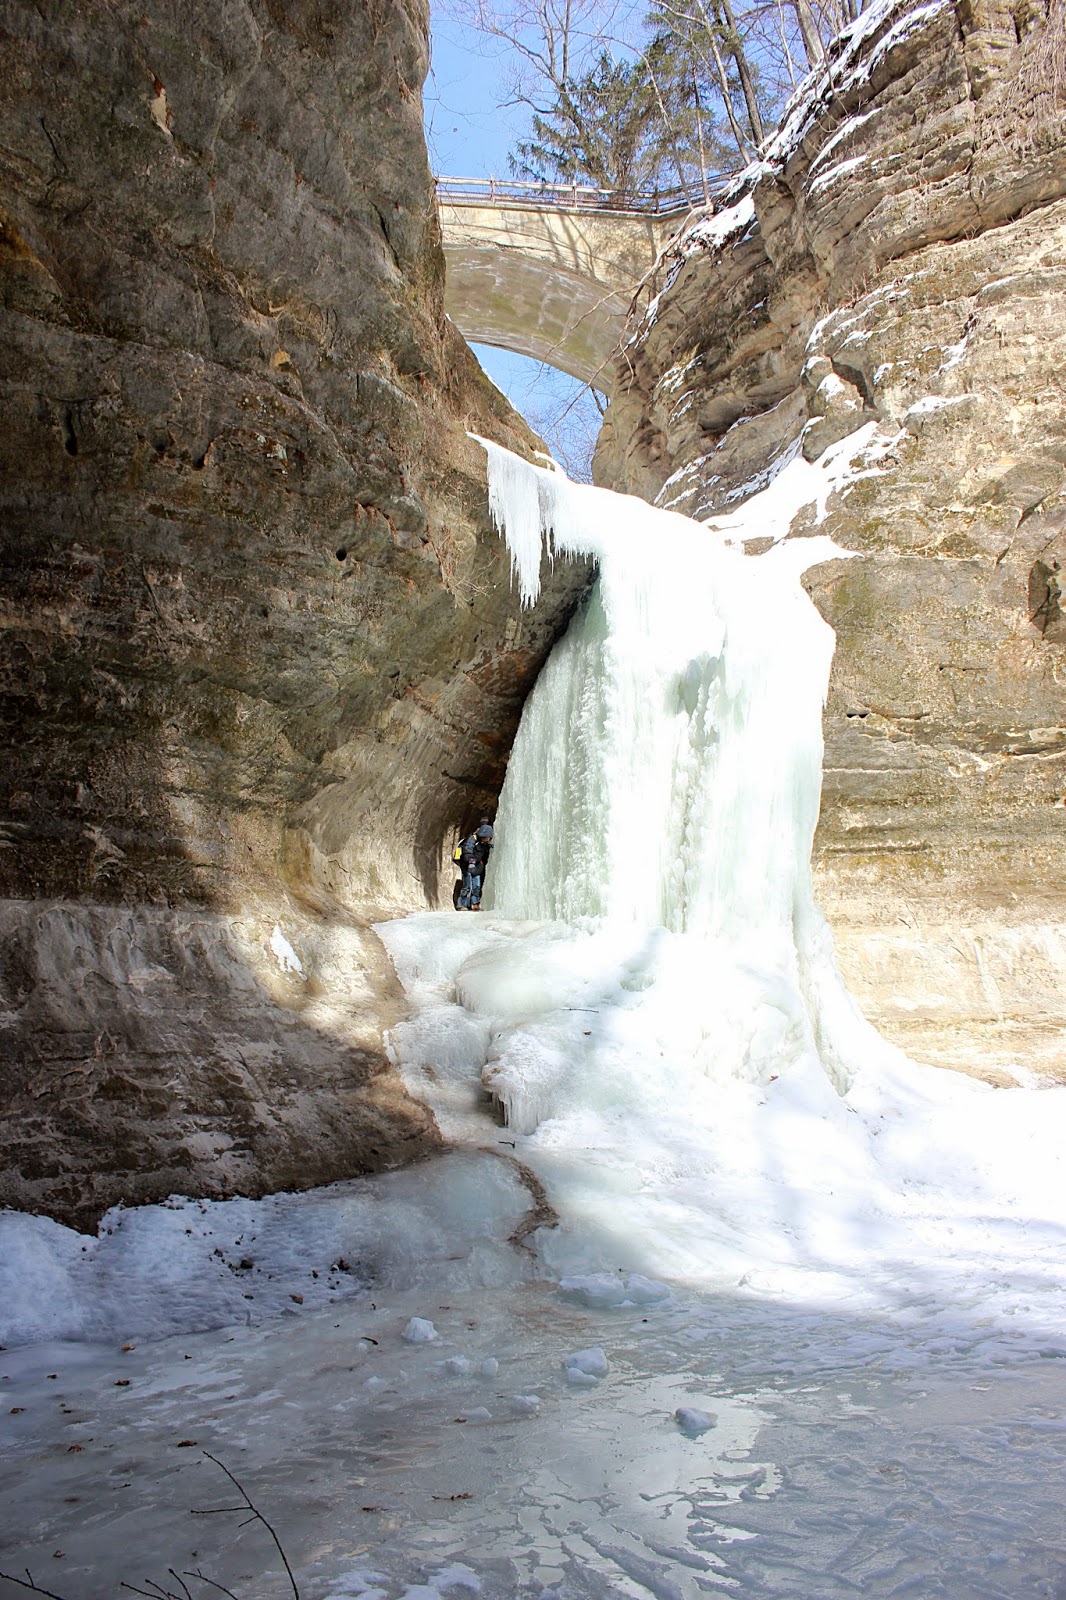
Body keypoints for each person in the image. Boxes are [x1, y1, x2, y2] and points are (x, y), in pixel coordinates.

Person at [456, 829, 484, 911]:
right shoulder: (471, 840)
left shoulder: (484, 843)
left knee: (477, 886)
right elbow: (467, 852)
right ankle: (461, 904)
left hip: (477, 867)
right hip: (467, 866)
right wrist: (471, 862)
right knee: (467, 886)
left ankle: (474, 904)